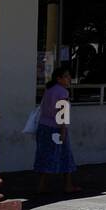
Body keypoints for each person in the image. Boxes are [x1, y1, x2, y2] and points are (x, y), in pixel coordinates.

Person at [35, 66, 79, 194]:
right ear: (59, 79)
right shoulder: (62, 92)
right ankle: (68, 185)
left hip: (43, 126)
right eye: (66, 76)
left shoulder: (49, 90)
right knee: (65, 156)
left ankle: (41, 185)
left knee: (45, 155)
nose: (69, 78)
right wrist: (63, 130)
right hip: (56, 128)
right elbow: (62, 114)